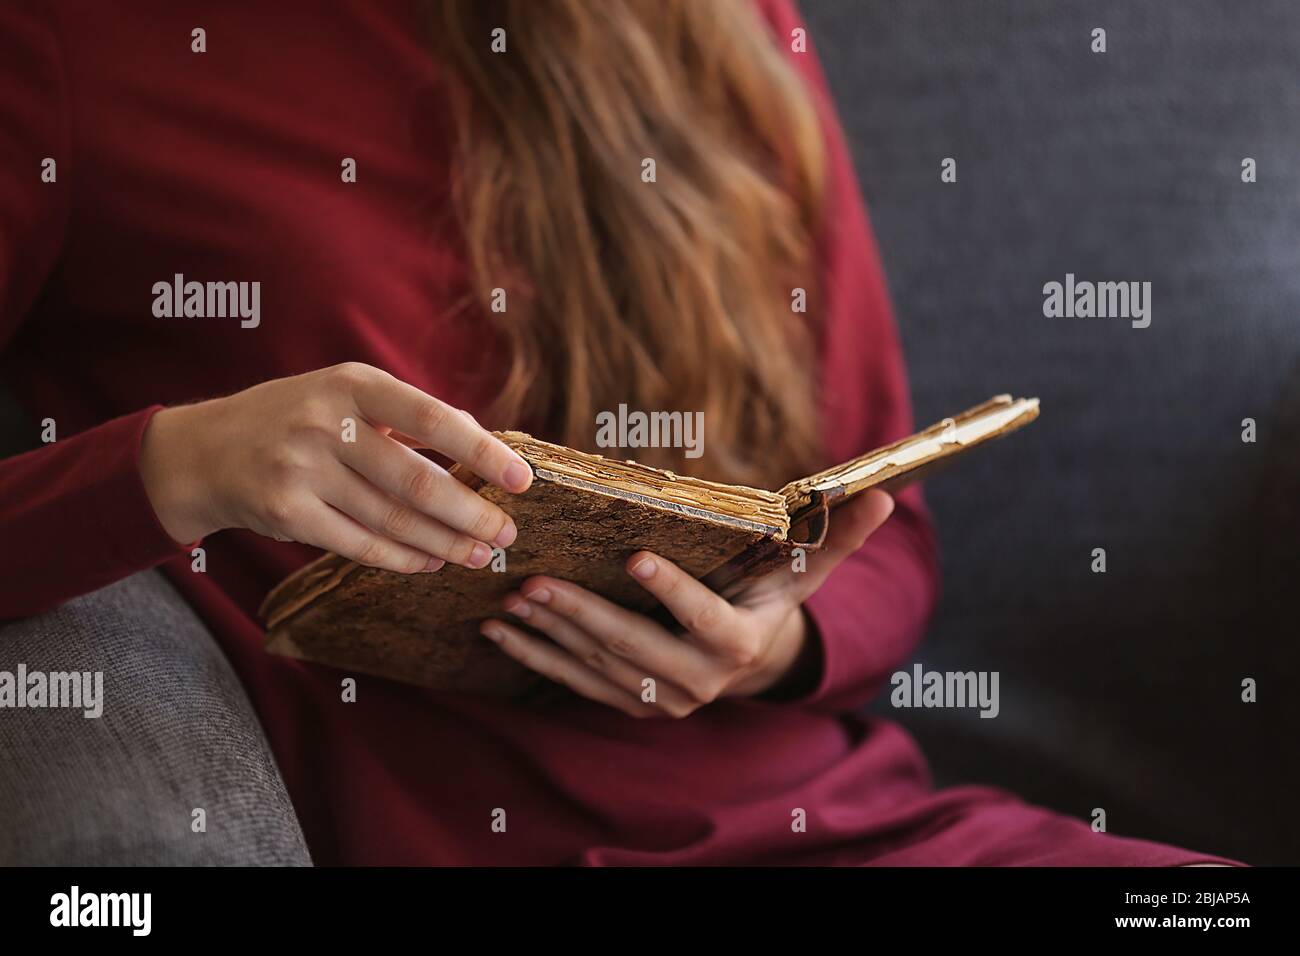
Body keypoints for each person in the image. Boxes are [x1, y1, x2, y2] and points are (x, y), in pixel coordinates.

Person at [0, 0, 1236, 865]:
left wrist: (770, 639)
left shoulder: (726, 21)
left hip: (846, 823)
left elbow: (888, 525)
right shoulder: (73, 38)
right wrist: (175, 465)